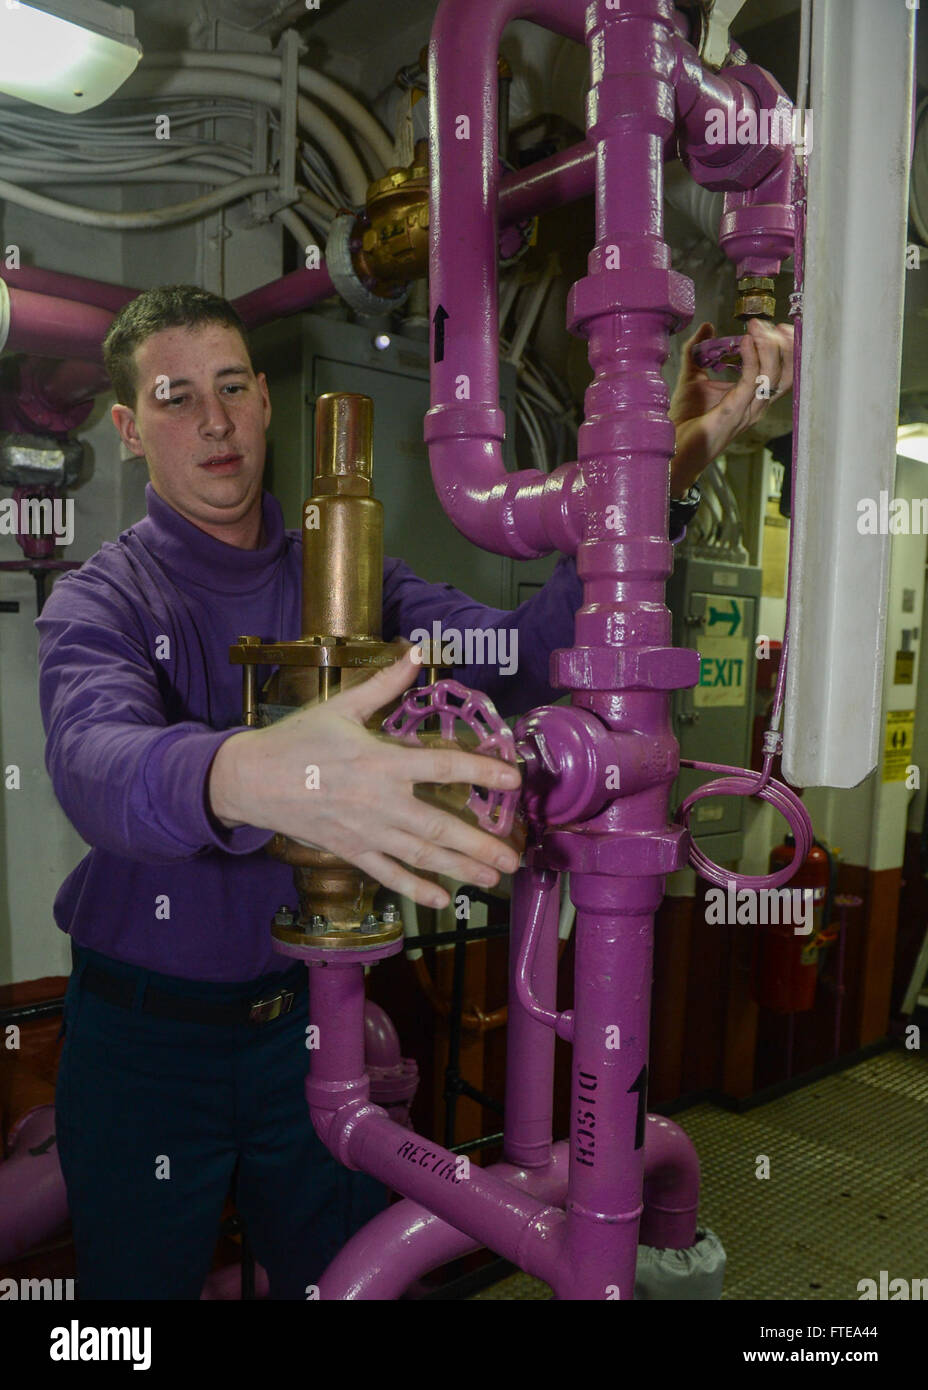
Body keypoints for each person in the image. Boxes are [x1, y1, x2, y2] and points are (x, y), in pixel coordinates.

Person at [36, 284, 793, 1299]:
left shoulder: (359, 583)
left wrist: (680, 451)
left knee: (344, 1275)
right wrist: (258, 771)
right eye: (175, 398)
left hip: (307, 1024)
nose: (212, 421)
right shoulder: (106, 597)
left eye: (230, 388)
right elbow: (94, 761)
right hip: (141, 1044)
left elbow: (523, 657)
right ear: (129, 428)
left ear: (264, 400)